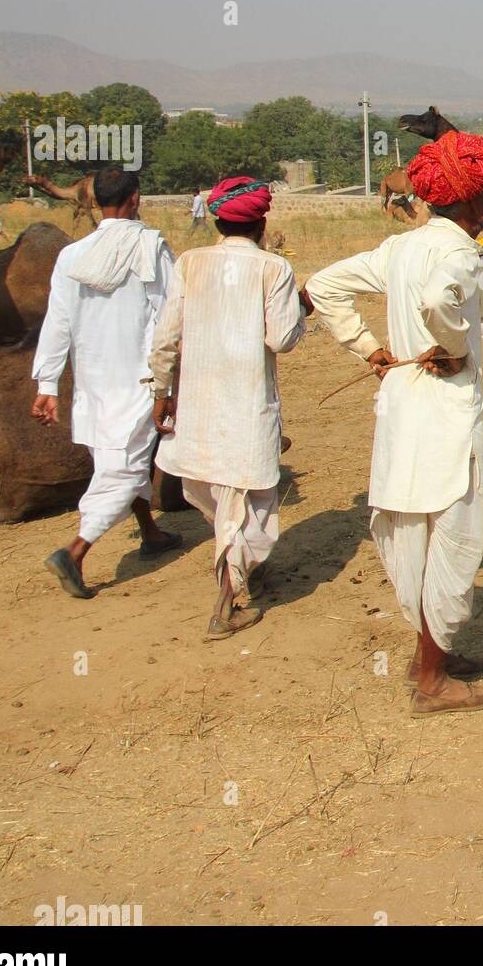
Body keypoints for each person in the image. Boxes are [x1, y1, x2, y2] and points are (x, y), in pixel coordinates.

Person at [305, 130, 483, 716]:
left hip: (400, 406)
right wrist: (451, 346)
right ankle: (432, 682)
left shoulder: (402, 248)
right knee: (453, 532)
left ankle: (430, 655)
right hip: (444, 406)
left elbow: (322, 286)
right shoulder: (460, 252)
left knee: (411, 530)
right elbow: (444, 301)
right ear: (467, 201)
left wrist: (371, 350)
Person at [147, 177, 306, 639]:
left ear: (217, 219)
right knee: (245, 501)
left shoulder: (190, 262)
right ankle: (223, 607)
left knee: (223, 499)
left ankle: (245, 568)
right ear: (261, 222)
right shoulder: (273, 269)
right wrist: (300, 311)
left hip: (197, 403)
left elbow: (165, 337)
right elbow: (282, 338)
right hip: (247, 403)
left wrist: (161, 392)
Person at [31, 166, 180, 599]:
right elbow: (169, 318)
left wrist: (46, 383)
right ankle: (75, 552)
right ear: (135, 198)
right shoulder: (149, 247)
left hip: (92, 382)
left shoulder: (71, 256)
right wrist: (167, 382)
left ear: (96, 201)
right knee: (125, 468)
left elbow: (56, 322)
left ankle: (151, 533)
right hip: (139, 378)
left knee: (116, 462)